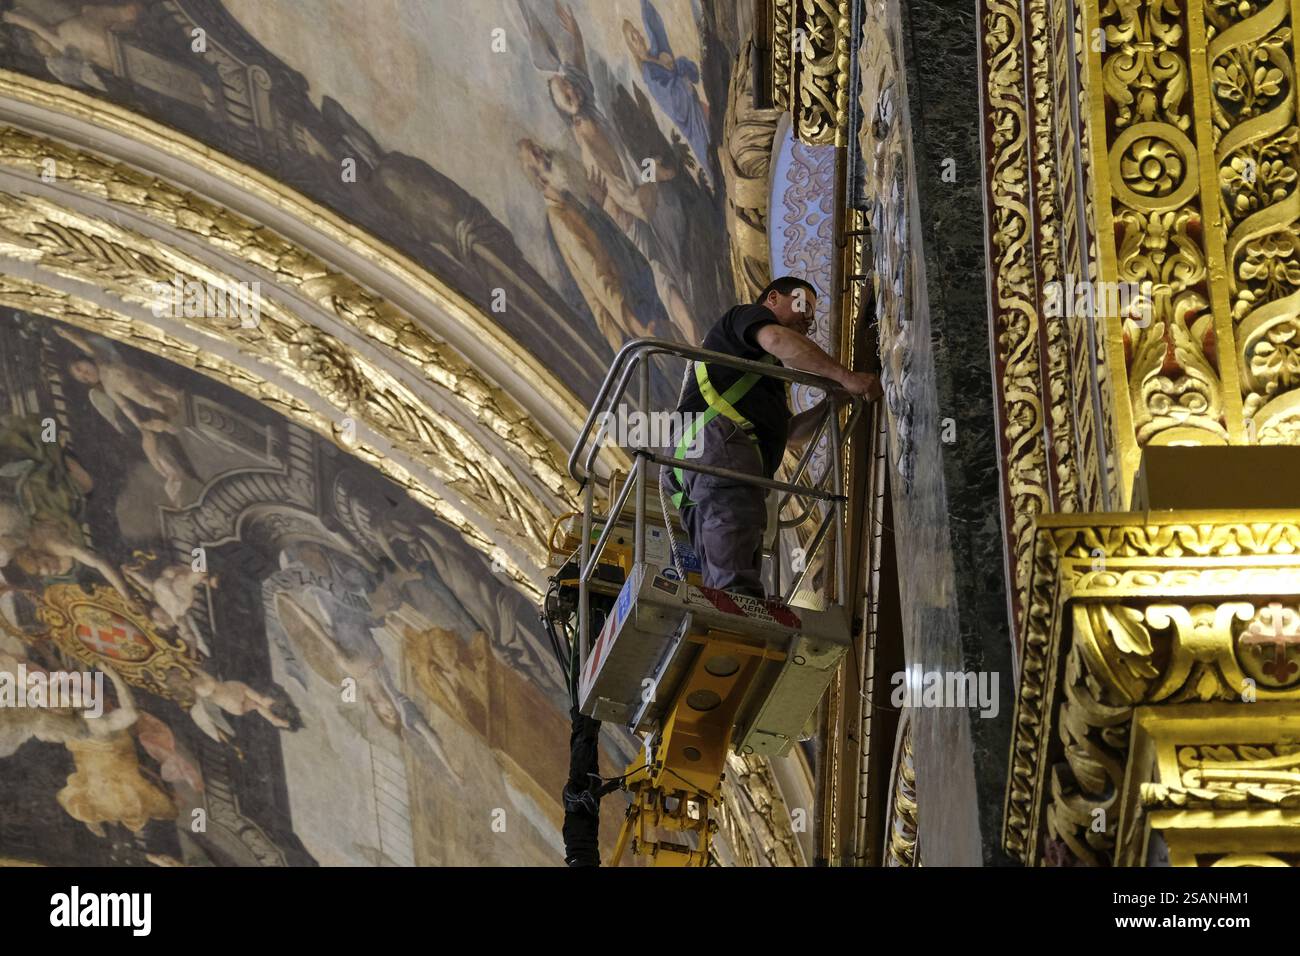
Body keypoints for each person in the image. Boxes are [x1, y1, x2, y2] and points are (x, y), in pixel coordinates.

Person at [664, 276, 881, 597]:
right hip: (717, 449)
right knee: (735, 584)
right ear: (773, 298)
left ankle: (730, 620)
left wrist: (834, 401)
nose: (808, 320)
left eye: (812, 317)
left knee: (725, 573)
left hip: (705, 463)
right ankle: (737, 619)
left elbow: (791, 436)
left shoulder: (762, 377)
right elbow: (777, 339)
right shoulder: (746, 316)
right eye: (802, 306)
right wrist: (845, 376)